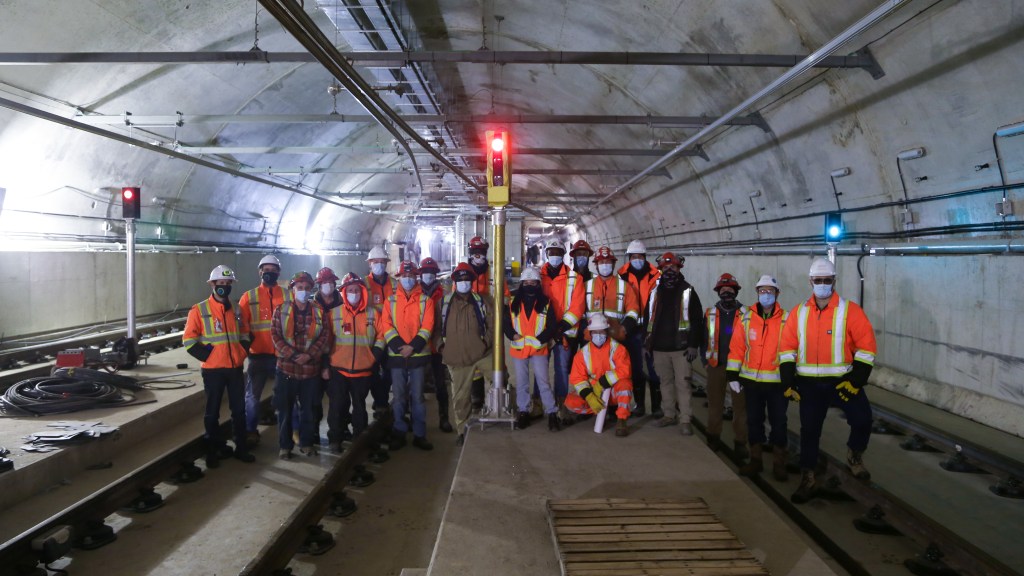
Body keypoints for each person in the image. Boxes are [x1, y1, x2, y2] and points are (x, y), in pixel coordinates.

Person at [780, 258, 877, 504]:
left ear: (834, 281)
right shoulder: (799, 313)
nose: (822, 285)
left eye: (827, 280)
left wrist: (856, 380)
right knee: (809, 431)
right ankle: (808, 476)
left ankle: (854, 455)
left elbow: (866, 348)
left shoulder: (850, 311)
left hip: (842, 381)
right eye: (818, 280)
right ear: (810, 281)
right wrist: (788, 380)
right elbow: (787, 348)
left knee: (863, 419)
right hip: (810, 384)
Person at [183, 265, 256, 468]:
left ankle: (241, 448)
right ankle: (212, 451)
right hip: (213, 370)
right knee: (212, 412)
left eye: (228, 283)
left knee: (239, 410)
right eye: (221, 283)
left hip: (234, 368)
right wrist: (209, 355)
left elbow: (245, 332)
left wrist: (242, 351)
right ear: (213, 284)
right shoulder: (199, 310)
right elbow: (188, 340)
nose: (224, 286)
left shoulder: (237, 309)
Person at [727, 275, 789, 480]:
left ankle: (779, 463)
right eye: (762, 291)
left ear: (777, 293)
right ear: (757, 293)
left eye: (769, 291)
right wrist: (733, 375)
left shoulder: (787, 319)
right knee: (754, 421)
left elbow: (793, 350)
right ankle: (756, 461)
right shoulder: (746, 318)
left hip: (777, 383)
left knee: (779, 423)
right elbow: (737, 347)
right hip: (751, 382)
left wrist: (792, 379)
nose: (766, 295)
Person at [271, 271, 331, 459]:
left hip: (309, 370)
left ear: (312, 289)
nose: (303, 291)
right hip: (286, 369)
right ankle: (285, 446)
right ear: (293, 289)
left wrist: (309, 355)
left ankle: (306, 443)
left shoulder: (319, 311)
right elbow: (275, 336)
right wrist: (294, 355)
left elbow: (324, 336)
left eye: (306, 288)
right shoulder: (281, 311)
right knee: (285, 410)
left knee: (309, 410)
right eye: (299, 288)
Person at [645, 252, 704, 435]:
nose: (670, 270)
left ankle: (685, 419)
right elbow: (647, 318)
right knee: (665, 383)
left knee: (683, 384)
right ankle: (669, 415)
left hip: (681, 349)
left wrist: (693, 345)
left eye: (673, 267)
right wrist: (646, 344)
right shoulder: (654, 291)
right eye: (666, 268)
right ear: (661, 270)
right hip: (659, 348)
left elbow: (697, 320)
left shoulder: (688, 291)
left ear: (679, 269)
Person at [324, 273, 384, 452]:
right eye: (350, 290)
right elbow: (326, 342)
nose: (353, 293)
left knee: (360, 408)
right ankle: (336, 438)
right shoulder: (334, 314)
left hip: (363, 371)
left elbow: (381, 336)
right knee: (337, 406)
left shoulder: (373, 314)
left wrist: (374, 356)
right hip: (338, 370)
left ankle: (359, 440)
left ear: (363, 291)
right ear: (343, 292)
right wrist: (326, 366)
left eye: (356, 290)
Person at [381, 261, 436, 451]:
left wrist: (411, 347)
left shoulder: (425, 301)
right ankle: (400, 431)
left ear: (416, 278)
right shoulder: (390, 302)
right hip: (397, 357)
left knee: (418, 397)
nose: (407, 279)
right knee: (398, 397)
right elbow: (386, 326)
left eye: (411, 276)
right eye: (404, 276)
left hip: (417, 356)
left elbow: (428, 326)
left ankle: (420, 434)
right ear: (398, 278)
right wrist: (399, 347)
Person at [239, 254, 290, 447]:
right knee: (252, 396)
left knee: (285, 395)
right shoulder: (248, 297)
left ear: (278, 272)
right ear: (260, 272)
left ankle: (288, 431)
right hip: (258, 355)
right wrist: (245, 348)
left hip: (281, 355)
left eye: (273, 270)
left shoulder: (287, 295)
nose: (269, 273)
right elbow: (243, 327)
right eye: (265, 270)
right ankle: (251, 431)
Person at [440, 263, 494, 446]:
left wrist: (485, 343)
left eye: (467, 280)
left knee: (500, 378)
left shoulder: (482, 301)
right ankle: (462, 430)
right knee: (460, 399)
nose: (464, 283)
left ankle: (498, 415)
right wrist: (442, 348)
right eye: (460, 279)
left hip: (481, 354)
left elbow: (492, 325)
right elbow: (434, 330)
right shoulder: (445, 303)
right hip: (457, 359)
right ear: (455, 282)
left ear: (472, 282)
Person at [505, 266, 560, 431]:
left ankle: (552, 413)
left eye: (533, 281)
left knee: (543, 382)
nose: (529, 284)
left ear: (538, 283)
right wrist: (513, 335)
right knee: (522, 383)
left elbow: (551, 325)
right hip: (520, 348)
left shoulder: (546, 303)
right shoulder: (513, 303)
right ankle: (523, 412)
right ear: (522, 283)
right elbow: (506, 323)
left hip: (538, 349)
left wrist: (540, 340)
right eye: (526, 281)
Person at [701, 273, 749, 457]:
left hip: (739, 368)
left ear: (736, 291)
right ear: (718, 292)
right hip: (716, 365)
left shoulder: (747, 314)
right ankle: (713, 438)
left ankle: (740, 442)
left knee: (740, 407)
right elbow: (703, 339)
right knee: (715, 404)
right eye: (723, 289)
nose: (726, 292)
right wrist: (705, 361)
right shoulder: (710, 313)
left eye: (730, 289)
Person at [564, 313, 633, 437]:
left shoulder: (617, 348)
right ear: (590, 334)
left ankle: (621, 420)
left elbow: (624, 370)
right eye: (595, 332)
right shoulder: (582, 354)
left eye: (601, 332)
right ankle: (598, 412)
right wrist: (589, 396)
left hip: (613, 392)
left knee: (625, 384)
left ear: (607, 331)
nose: (599, 335)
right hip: (595, 392)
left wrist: (602, 382)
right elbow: (578, 379)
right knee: (570, 402)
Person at [566, 245, 640, 352]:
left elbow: (633, 311)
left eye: (608, 262)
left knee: (618, 366)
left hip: (616, 338)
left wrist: (624, 328)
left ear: (614, 264)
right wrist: (585, 329)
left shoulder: (625, 286)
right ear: (596, 265)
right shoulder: (586, 286)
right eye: (601, 262)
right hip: (591, 337)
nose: (605, 265)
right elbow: (579, 310)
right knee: (591, 366)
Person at [618, 240, 662, 418]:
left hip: (651, 328)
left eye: (640, 257)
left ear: (645, 257)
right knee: (635, 367)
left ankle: (657, 407)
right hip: (632, 327)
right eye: (633, 257)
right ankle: (640, 404)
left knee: (654, 367)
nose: (637, 259)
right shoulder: (622, 275)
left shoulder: (656, 275)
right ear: (629, 258)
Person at [539, 239, 584, 408]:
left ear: (563, 255)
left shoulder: (574, 278)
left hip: (564, 333)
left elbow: (577, 307)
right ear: (547, 254)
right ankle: (539, 403)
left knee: (562, 369)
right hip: (542, 332)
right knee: (541, 370)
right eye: (552, 253)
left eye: (558, 253)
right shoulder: (537, 276)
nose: (555, 256)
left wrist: (561, 328)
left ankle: (562, 404)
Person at [419, 257, 453, 433]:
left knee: (441, 385)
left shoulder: (444, 295)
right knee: (416, 387)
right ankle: (415, 422)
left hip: (437, 348)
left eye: (431, 273)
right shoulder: (415, 294)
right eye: (425, 272)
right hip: (419, 347)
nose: (428, 275)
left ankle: (444, 418)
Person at [311, 266, 342, 440]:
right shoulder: (312, 307)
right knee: (315, 399)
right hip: (316, 359)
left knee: (338, 399)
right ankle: (314, 430)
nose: (328, 285)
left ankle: (336, 431)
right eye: (324, 282)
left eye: (331, 282)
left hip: (337, 357)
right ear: (319, 285)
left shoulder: (343, 305)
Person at [365, 246, 396, 418]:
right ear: (370, 264)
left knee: (391, 371)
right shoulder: (364, 284)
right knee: (373, 372)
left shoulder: (394, 284)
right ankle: (380, 402)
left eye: (382, 262)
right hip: (373, 337)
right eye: (376, 262)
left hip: (391, 336)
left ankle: (382, 400)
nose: (379, 265)